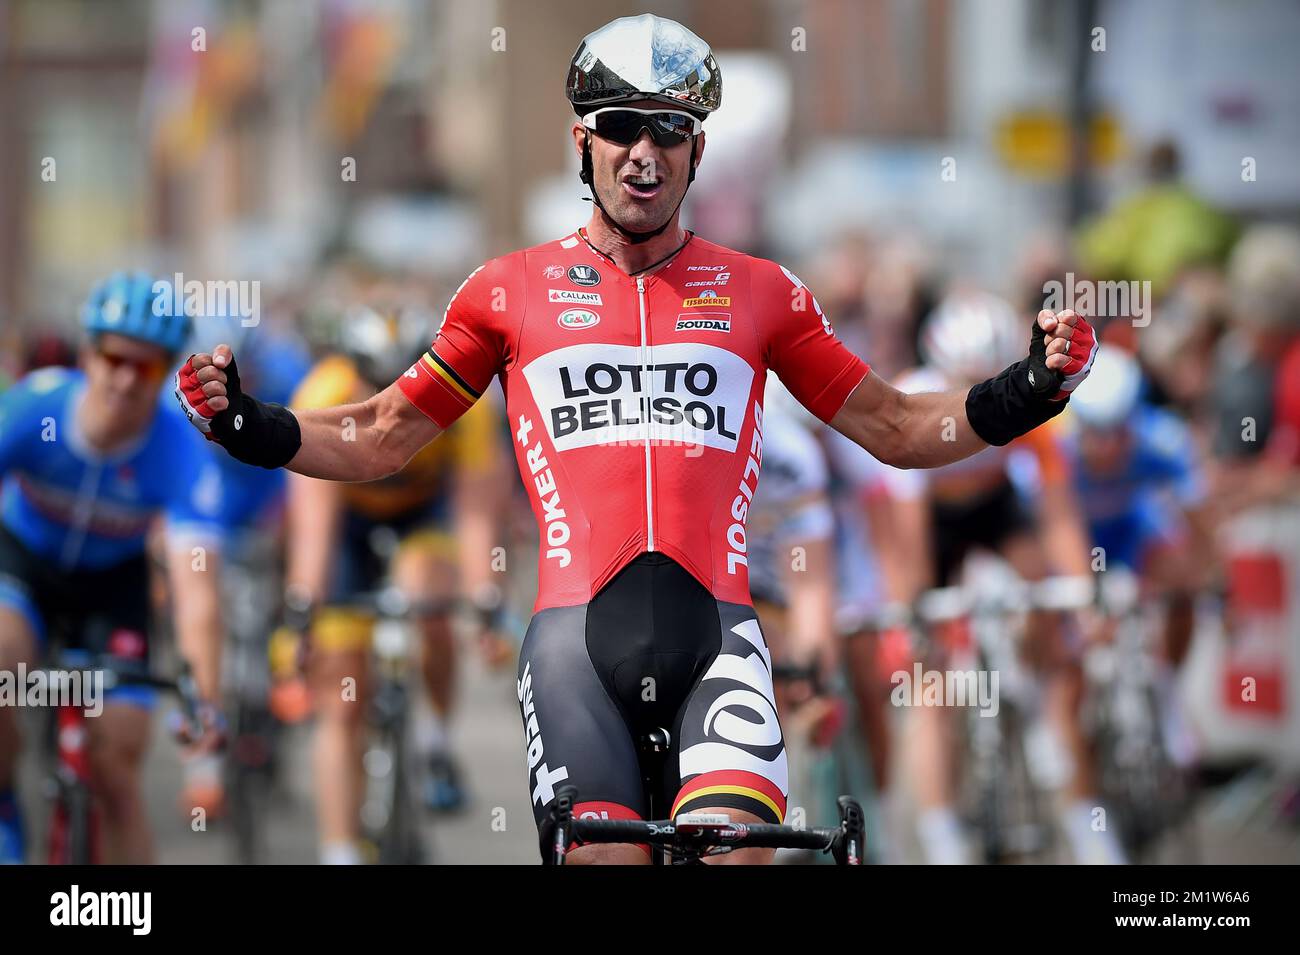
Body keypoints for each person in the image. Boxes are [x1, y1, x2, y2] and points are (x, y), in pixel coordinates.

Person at [174, 14, 1097, 865]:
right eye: (620, 126)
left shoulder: (763, 292)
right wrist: (245, 421)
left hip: (720, 636)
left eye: (668, 131)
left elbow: (896, 428)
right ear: (583, 142)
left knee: (740, 849)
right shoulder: (508, 291)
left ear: (698, 148)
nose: (643, 154)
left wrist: (1029, 387)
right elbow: (380, 437)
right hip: (577, 641)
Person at [872, 290, 1120, 864]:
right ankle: (940, 833)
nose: (985, 398)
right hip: (931, 520)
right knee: (927, 677)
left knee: (1057, 626)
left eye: (992, 381)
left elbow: (1057, 512)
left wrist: (1081, 596)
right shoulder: (917, 394)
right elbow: (906, 539)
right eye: (969, 382)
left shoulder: (1026, 400)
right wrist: (913, 614)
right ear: (944, 372)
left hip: (994, 507)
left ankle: (1082, 811)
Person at [0, 271, 226, 863]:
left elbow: (197, 591)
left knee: (116, 762)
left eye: (147, 367)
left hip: (112, 589)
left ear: (168, 373)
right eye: (115, 358)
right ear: (88, 353)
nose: (126, 379)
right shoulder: (32, 409)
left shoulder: (179, 451)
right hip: (23, 568)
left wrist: (203, 701)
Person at [274, 303, 508, 864]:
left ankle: (434, 743)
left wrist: (486, 602)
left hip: (420, 517)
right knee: (342, 696)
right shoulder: (322, 393)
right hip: (348, 523)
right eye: (373, 381)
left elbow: (478, 515)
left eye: (402, 380)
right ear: (349, 368)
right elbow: (313, 528)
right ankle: (340, 851)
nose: (388, 398)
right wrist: (302, 613)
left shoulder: (463, 403)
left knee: (429, 592)